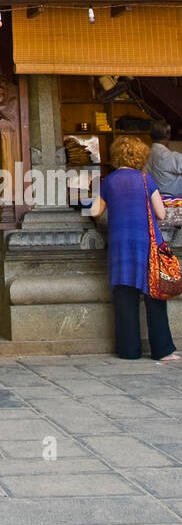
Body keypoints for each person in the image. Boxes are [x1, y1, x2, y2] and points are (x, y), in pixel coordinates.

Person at [90, 135, 181, 362]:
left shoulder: (108, 181)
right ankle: (163, 351)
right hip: (147, 246)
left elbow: (94, 212)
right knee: (154, 298)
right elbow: (160, 213)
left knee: (124, 299)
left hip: (120, 247)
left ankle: (128, 351)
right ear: (140, 156)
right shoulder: (145, 179)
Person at [146, 121, 182, 199]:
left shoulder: (145, 155)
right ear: (168, 135)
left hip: (153, 199)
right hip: (172, 201)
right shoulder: (171, 157)